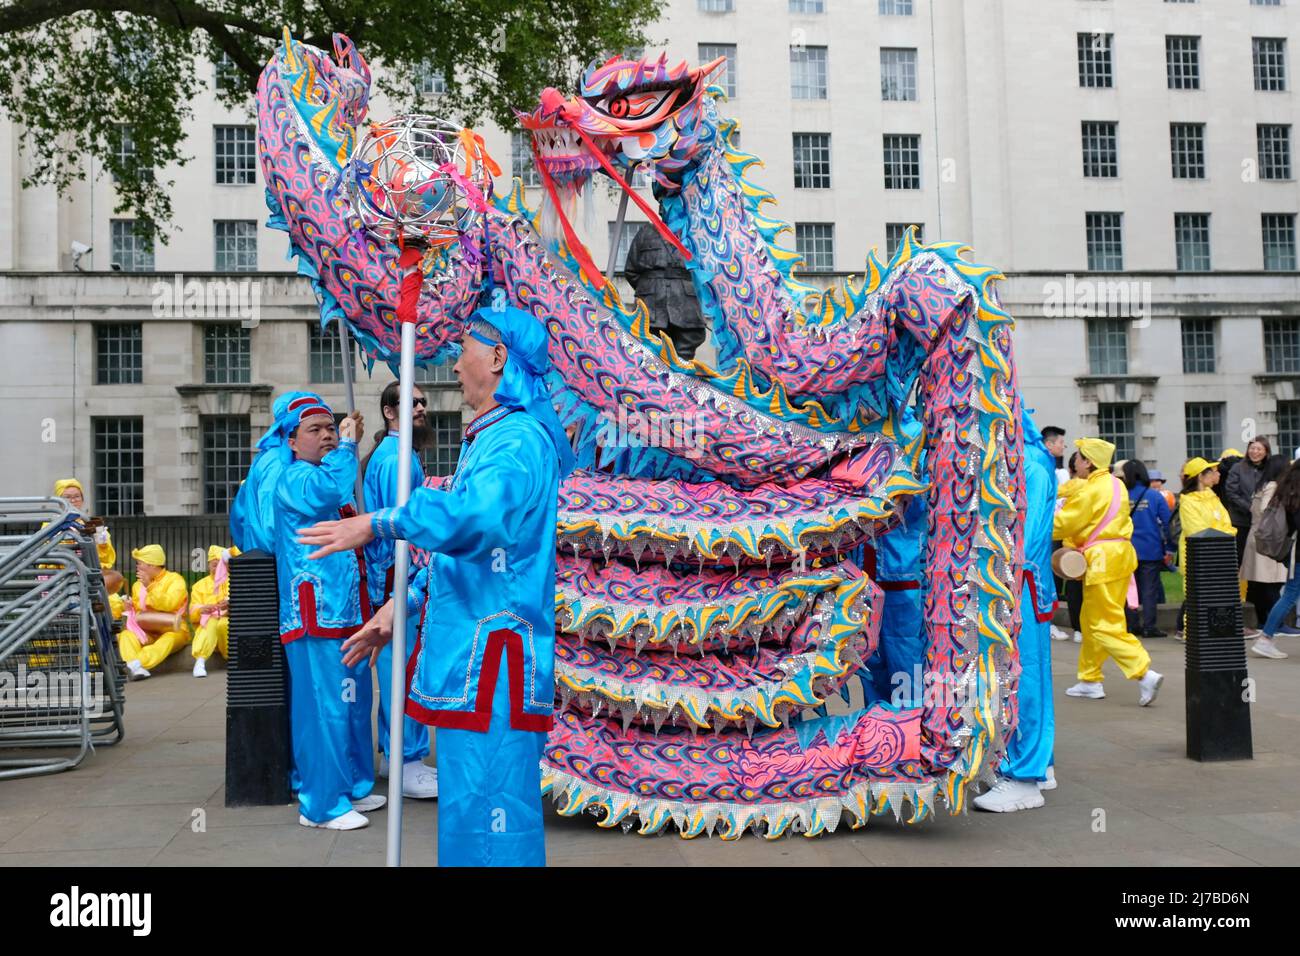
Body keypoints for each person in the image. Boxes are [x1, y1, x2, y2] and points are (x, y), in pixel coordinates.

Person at [304, 303, 574, 867]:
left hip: (492, 668)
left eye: (464, 352)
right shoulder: (490, 438)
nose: (454, 367)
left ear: (498, 358)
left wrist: (381, 522)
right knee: (468, 816)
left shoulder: (518, 440)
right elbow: (459, 559)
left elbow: (478, 521)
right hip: (475, 663)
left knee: (492, 819)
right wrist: (398, 606)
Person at [274, 394, 383, 831]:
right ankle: (320, 803)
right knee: (325, 709)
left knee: (353, 703)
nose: (325, 436)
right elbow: (327, 492)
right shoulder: (295, 478)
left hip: (345, 611)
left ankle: (351, 784)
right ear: (292, 440)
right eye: (314, 430)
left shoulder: (321, 473)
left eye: (329, 428)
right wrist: (347, 449)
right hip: (314, 613)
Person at [974, 410, 1057, 812]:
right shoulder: (1007, 463)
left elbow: (1030, 537)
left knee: (1026, 679)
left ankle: (1026, 777)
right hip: (1004, 585)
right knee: (1008, 679)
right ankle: (1028, 763)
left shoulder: (1031, 467)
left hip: (1021, 586)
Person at [361, 381, 438, 800]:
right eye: (412, 402)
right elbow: (403, 527)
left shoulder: (395, 455)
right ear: (390, 412)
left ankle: (399, 757)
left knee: (399, 670)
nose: (421, 407)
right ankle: (406, 759)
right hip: (399, 580)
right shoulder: (397, 459)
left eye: (423, 401)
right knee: (404, 673)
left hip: (394, 579)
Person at [1052, 438, 1163, 706]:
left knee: (1103, 625)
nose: (1074, 462)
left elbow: (1067, 523)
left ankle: (1143, 672)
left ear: (1088, 461)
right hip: (1120, 557)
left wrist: (1033, 523)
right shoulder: (1115, 484)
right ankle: (1090, 680)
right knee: (1092, 620)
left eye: (1078, 458)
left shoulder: (1091, 489)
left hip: (1101, 560)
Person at [230, 390, 314, 554]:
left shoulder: (274, 457)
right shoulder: (279, 462)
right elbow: (273, 529)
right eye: (314, 428)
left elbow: (239, 521)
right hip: (283, 568)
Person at [623, 218, 707, 360]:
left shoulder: (695, 233)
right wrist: (650, 287)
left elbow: (706, 272)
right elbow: (631, 270)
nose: (665, 207)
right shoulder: (646, 232)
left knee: (684, 358)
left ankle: (681, 381)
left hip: (686, 306)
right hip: (652, 306)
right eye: (663, 202)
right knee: (651, 356)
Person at [1176, 457, 1236, 639]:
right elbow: (1197, 530)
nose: (1217, 474)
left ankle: (1212, 630)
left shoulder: (1213, 498)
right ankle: (1193, 632)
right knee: (1196, 595)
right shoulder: (1188, 502)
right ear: (1200, 476)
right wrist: (1221, 532)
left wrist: (1219, 532)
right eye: (1213, 471)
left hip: (1219, 553)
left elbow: (1229, 526)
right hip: (1197, 556)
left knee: (1216, 593)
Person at [119, 545, 191, 680]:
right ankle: (137, 669)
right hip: (147, 630)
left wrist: (150, 587)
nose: (137, 567)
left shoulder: (175, 580)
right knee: (126, 635)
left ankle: (136, 664)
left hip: (174, 629)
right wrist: (129, 608)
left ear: (152, 565)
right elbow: (140, 611)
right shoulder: (137, 585)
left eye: (140, 564)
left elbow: (169, 604)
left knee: (167, 640)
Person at [1253, 457, 1300, 660]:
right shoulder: (1296, 496)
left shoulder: (1288, 492)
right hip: (1298, 553)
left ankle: (1266, 638)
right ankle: (1265, 638)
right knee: (1289, 595)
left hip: (1294, 553)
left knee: (1289, 594)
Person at [1240, 455, 1288, 645]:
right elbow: (1269, 511)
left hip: (1257, 536)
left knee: (1258, 584)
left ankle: (1261, 621)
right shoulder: (1273, 487)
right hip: (1269, 538)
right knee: (1272, 583)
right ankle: (1276, 623)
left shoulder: (1262, 485)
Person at [1122, 459, 1173, 638]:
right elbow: (1168, 523)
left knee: (1129, 589)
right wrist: (1169, 547)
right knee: (1149, 589)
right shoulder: (1154, 496)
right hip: (1150, 549)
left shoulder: (1121, 494)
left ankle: (1131, 624)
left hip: (1126, 548)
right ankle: (1149, 626)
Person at [1052, 451, 1088, 644]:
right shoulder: (1084, 484)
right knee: (1083, 589)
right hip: (1083, 544)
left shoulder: (1077, 484)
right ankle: (1083, 628)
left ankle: (1079, 628)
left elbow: (1052, 494)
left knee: (1075, 588)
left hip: (1075, 544)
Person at [189, 545, 239, 678]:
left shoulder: (235, 581)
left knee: (223, 624)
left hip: (227, 625)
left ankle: (232, 657)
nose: (217, 568)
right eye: (214, 565)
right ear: (209, 565)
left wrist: (230, 605)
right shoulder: (199, 585)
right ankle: (200, 661)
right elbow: (192, 611)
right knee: (210, 621)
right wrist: (201, 610)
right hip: (207, 631)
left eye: (220, 565)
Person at [1226, 439, 1272, 568]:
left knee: (1260, 559)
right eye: (1252, 448)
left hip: (1263, 521)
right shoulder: (1238, 467)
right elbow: (1231, 492)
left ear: (1266, 452)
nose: (1255, 452)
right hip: (1241, 520)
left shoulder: (1270, 469)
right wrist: (1250, 507)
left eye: (1259, 449)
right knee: (1240, 557)